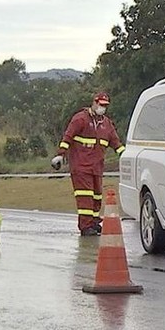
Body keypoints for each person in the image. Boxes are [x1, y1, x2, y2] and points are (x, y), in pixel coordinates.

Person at [51, 92, 125, 236]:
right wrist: (60, 155)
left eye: (105, 106)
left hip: (97, 167)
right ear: (94, 103)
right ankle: (85, 226)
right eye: (101, 104)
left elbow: (116, 143)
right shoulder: (80, 119)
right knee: (85, 197)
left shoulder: (106, 124)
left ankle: (94, 222)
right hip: (81, 166)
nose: (102, 108)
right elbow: (68, 137)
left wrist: (126, 155)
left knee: (97, 196)